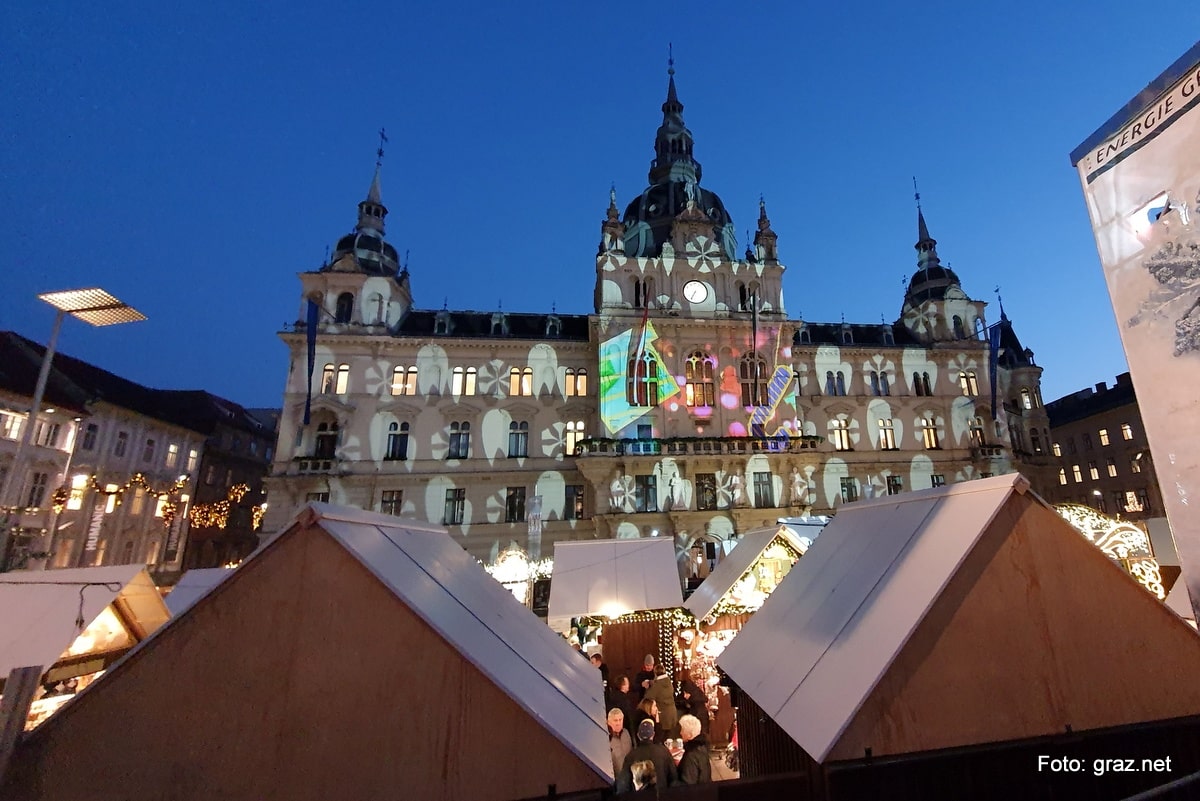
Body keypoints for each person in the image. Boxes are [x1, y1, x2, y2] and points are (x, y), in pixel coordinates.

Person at [616, 719, 677, 792]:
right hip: (661, 796)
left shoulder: (630, 756)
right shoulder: (664, 751)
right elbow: (674, 777)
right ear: (653, 734)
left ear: (638, 735)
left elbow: (623, 784)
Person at [643, 668, 678, 742]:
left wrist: (647, 687)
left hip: (663, 716)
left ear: (655, 674)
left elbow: (648, 697)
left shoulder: (657, 685)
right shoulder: (668, 682)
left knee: (662, 739)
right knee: (670, 738)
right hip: (672, 714)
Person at [676, 714, 712, 784]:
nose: (680, 733)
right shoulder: (703, 747)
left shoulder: (691, 756)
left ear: (690, 735)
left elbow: (688, 784)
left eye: (682, 730)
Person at [606, 708, 634, 779]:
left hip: (630, 776)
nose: (618, 723)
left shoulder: (626, 733)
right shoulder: (606, 738)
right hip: (615, 778)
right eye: (615, 720)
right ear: (608, 722)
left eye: (620, 720)